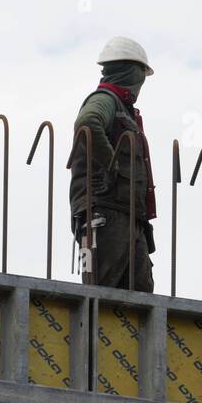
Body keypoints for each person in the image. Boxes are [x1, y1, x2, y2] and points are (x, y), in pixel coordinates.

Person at [68, 36, 157, 292]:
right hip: (105, 212)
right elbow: (87, 123)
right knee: (100, 292)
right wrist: (111, 164)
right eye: (141, 73)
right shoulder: (105, 99)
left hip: (129, 215)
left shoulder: (124, 109)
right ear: (131, 71)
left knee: (140, 295)